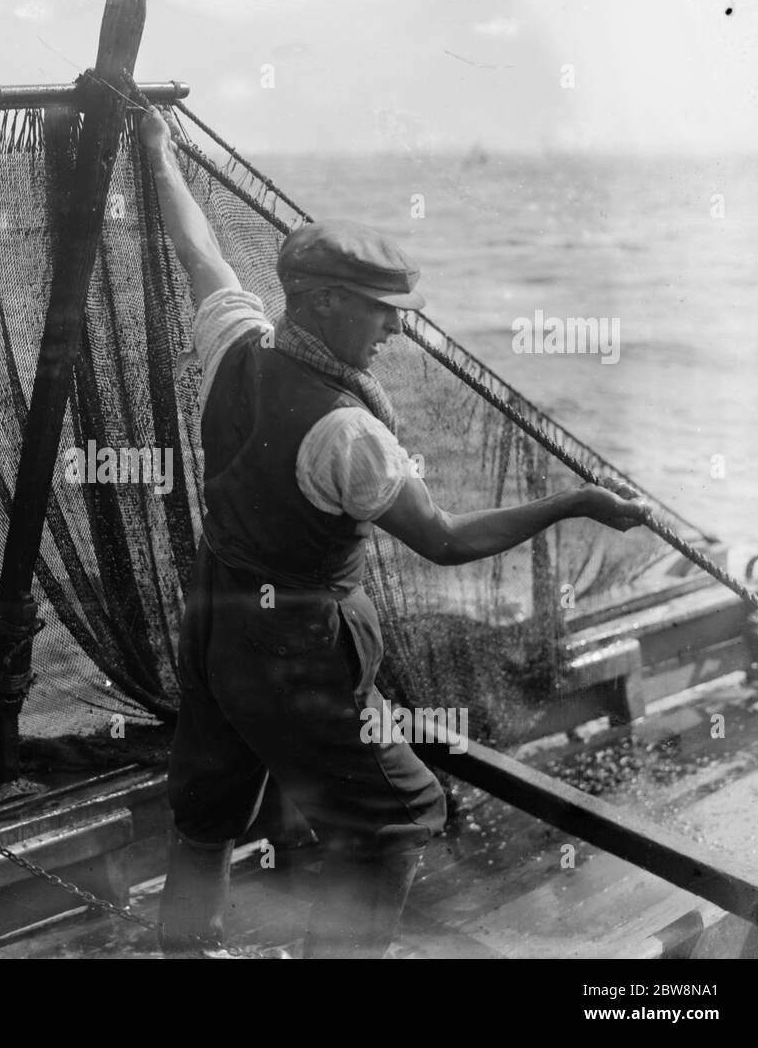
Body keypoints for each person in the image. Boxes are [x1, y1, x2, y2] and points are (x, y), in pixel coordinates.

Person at [138, 108, 652, 958]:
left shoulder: (235, 345)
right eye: (382, 311)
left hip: (215, 625)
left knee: (208, 810)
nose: (398, 328)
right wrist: (574, 503)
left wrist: (158, 152)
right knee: (399, 816)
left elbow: (200, 254)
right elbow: (445, 540)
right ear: (325, 301)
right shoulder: (350, 434)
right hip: (294, 648)